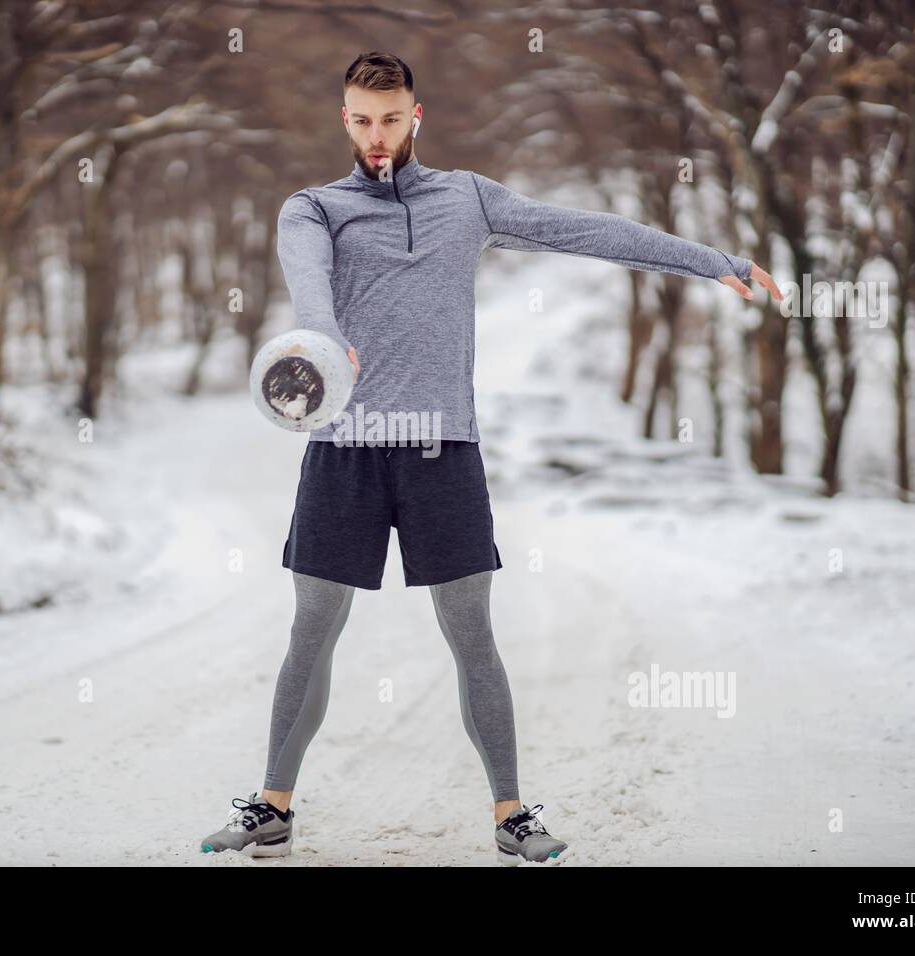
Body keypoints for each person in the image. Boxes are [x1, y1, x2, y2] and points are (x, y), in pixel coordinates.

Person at [201, 51, 782, 866]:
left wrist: (711, 260)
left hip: (445, 452)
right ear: (344, 118)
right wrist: (325, 339)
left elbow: (586, 231)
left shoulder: (466, 199)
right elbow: (308, 288)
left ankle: (511, 813)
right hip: (344, 452)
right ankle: (273, 806)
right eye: (362, 120)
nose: (377, 136)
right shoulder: (313, 210)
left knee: (472, 633)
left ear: (417, 115)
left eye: (391, 119)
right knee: (313, 630)